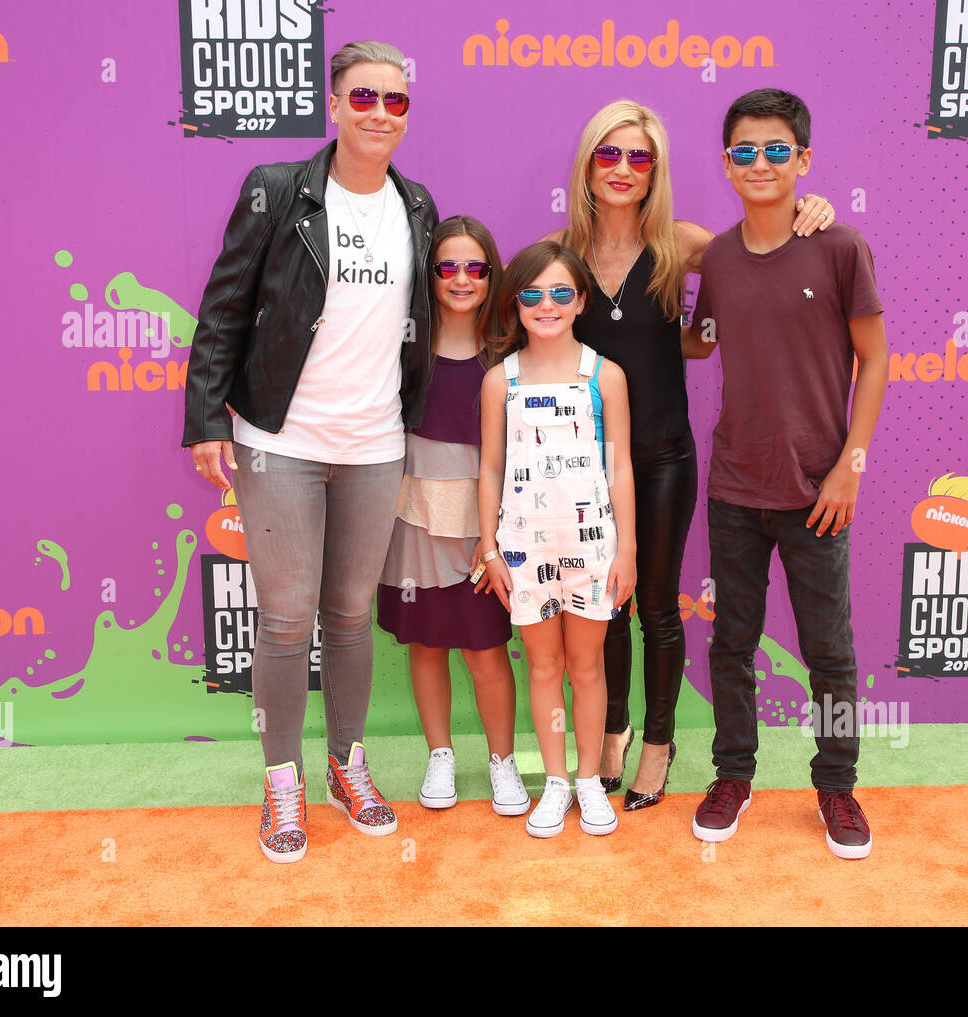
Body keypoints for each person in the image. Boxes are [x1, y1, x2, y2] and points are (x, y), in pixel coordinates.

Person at [183, 40, 438, 863]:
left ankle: (346, 765)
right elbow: (225, 305)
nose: (379, 114)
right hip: (278, 440)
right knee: (288, 616)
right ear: (334, 104)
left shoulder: (418, 206)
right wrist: (206, 420)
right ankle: (282, 779)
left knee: (352, 615)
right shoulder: (276, 189)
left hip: (376, 443)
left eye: (395, 101)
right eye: (364, 97)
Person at [550, 100, 836, 810]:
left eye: (639, 157)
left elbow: (759, 242)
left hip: (663, 457)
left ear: (657, 172)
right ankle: (612, 725)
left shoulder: (683, 243)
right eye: (609, 155)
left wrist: (814, 208)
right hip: (584, 462)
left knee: (655, 604)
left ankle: (658, 742)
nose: (622, 169)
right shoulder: (563, 254)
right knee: (600, 605)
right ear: (588, 163)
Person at [682, 88, 887, 858]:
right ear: (727, 163)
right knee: (731, 643)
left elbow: (876, 360)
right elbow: (701, 340)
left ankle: (838, 783)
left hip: (817, 491)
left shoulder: (839, 247)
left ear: (803, 160)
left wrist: (850, 467)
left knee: (829, 650)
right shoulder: (719, 257)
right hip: (735, 486)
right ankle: (733, 774)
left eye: (776, 151)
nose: (760, 164)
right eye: (744, 152)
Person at [477, 241, 637, 838]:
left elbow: (620, 466)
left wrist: (628, 549)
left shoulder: (606, 376)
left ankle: (591, 780)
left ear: (581, 302)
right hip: (524, 550)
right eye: (532, 294)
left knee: (587, 667)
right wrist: (490, 547)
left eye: (561, 293)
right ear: (516, 303)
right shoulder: (501, 380)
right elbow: (490, 468)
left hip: (593, 548)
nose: (547, 304)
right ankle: (555, 783)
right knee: (543, 669)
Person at [375, 215, 529, 817]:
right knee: (426, 643)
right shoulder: (402, 343)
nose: (461, 279)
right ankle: (439, 755)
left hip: (484, 529)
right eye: (447, 267)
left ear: (492, 275)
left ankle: (502, 761)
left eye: (475, 268)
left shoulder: (511, 351)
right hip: (410, 518)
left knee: (487, 647)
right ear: (428, 274)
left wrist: (495, 537)